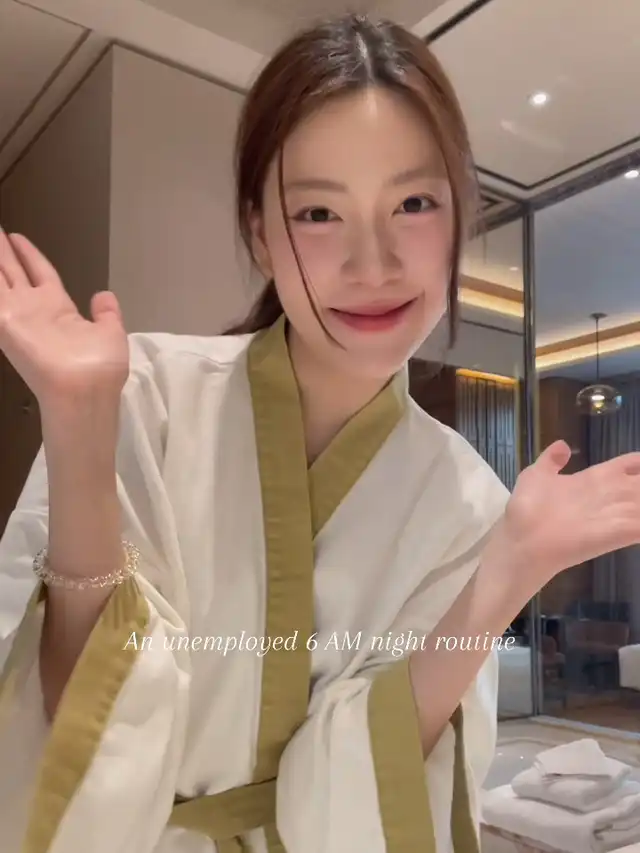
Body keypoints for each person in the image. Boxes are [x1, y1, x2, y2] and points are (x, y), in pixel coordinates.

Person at [0, 13, 638, 853]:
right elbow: (73, 712)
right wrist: (81, 429)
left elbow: (388, 758)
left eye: (413, 203)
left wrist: (511, 569)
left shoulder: (466, 495)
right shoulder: (142, 395)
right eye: (317, 213)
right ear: (260, 234)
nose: (373, 263)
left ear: (463, 220)